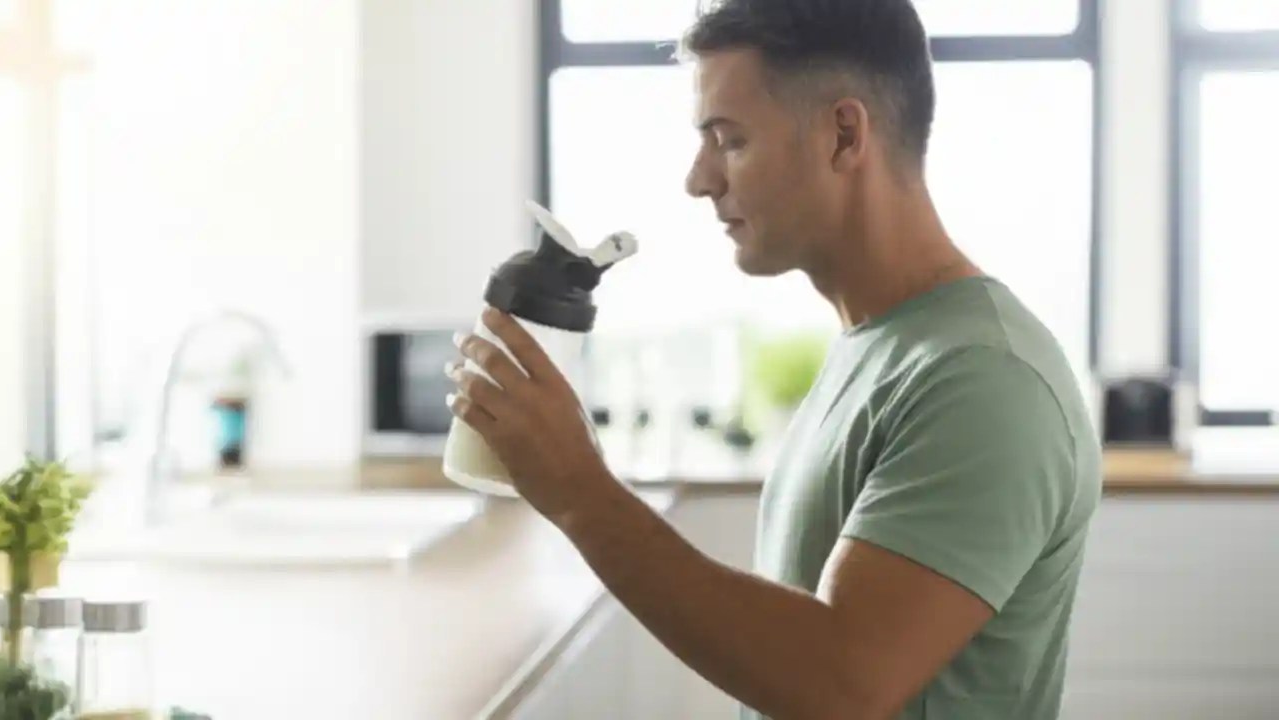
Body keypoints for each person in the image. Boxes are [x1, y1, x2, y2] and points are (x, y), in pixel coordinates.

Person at [444, 0, 1102, 717]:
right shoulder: (878, 346)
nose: (699, 179)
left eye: (729, 141)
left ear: (844, 135)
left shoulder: (985, 379)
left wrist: (579, 490)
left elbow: (840, 682)